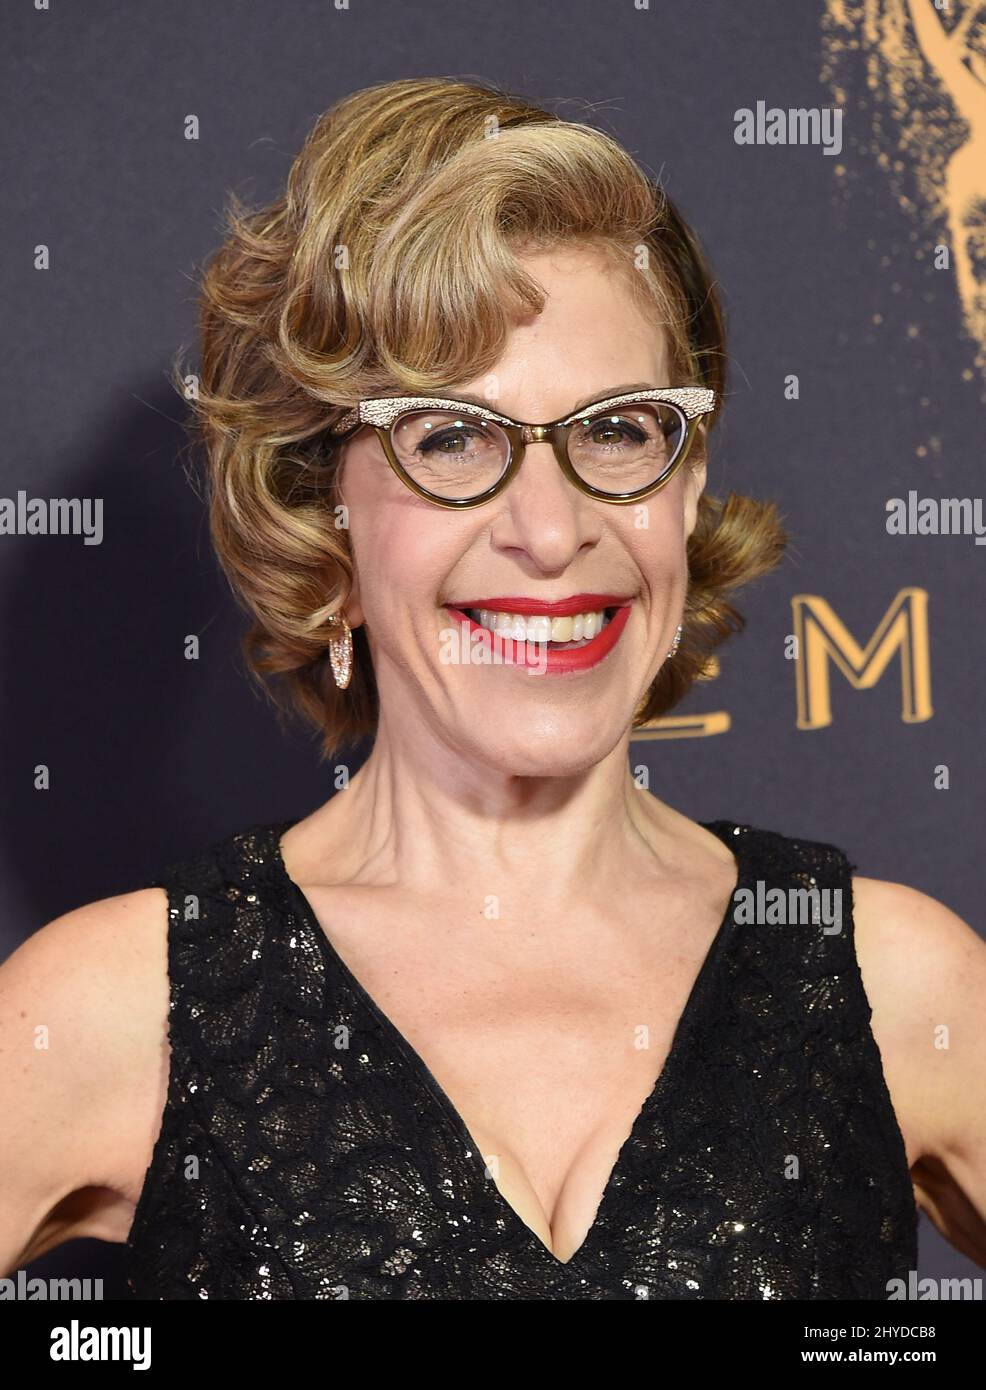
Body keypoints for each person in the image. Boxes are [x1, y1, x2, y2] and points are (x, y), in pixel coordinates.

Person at [1, 77, 983, 1301]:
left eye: (616, 430)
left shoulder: (898, 984)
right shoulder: (109, 1006)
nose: (549, 528)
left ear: (683, 489)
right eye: (450, 437)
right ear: (326, 511)